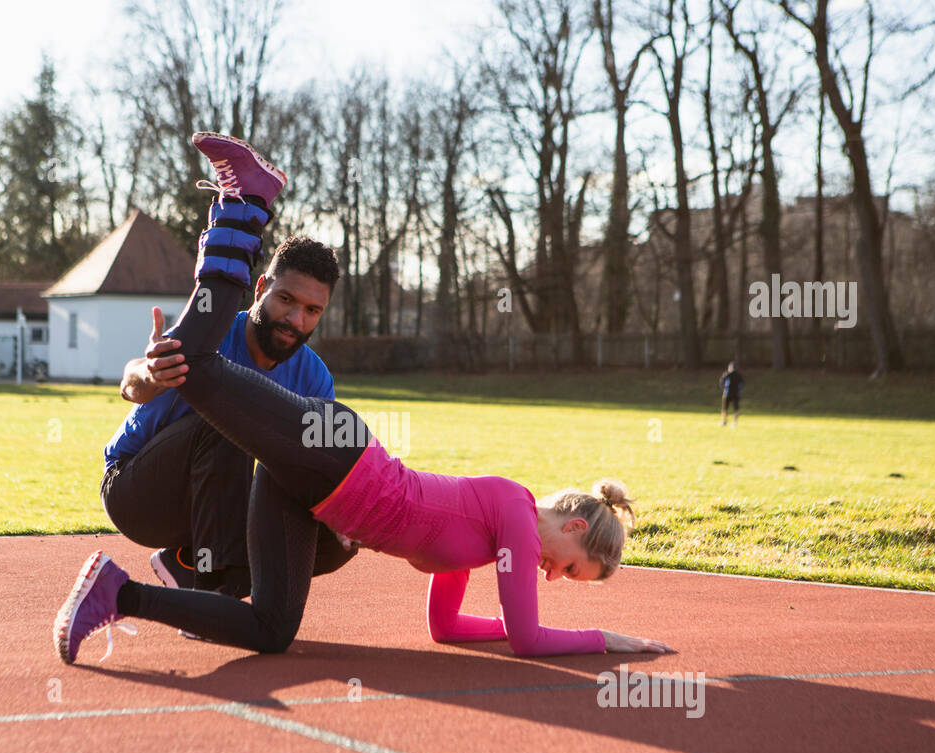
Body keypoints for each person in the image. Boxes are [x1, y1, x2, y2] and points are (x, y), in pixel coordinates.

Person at [54, 132, 673, 664]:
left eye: (566, 579)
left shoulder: (487, 542)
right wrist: (603, 640)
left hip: (308, 487)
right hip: (344, 461)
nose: (554, 577)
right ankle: (244, 205)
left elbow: (448, 629)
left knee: (272, 632)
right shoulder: (514, 514)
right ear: (570, 526)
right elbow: (528, 639)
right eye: (570, 567)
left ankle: (118, 592)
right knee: (197, 364)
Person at [100, 210, 358, 619]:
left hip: (218, 504)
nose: (296, 320)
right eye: (286, 300)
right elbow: (129, 384)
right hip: (138, 492)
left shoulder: (315, 378)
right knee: (228, 415)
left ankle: (187, 565)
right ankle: (212, 596)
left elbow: (312, 469)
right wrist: (149, 372)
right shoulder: (210, 335)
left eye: (312, 310)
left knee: (335, 534)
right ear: (260, 289)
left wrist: (342, 510)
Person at [720, 361, 744, 427]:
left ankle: (727, 421)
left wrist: (724, 388)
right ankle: (731, 422)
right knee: (731, 408)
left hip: (730, 394)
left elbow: (721, 383)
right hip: (732, 393)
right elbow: (741, 384)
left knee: (727, 408)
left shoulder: (728, 374)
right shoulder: (736, 375)